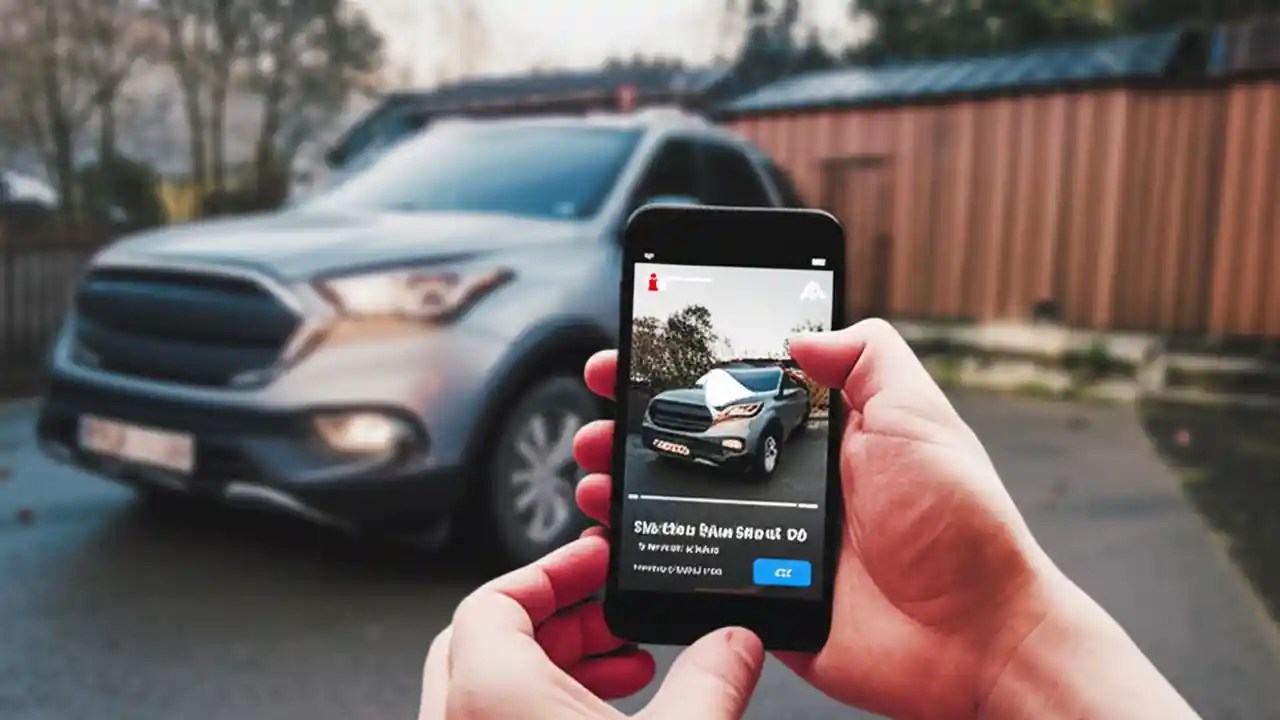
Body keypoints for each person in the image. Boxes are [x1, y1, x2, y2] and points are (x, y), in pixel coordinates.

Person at [420, 320, 1200, 719]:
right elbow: (666, 416)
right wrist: (1004, 637)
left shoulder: (779, 393)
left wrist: (1003, 630)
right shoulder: (702, 389)